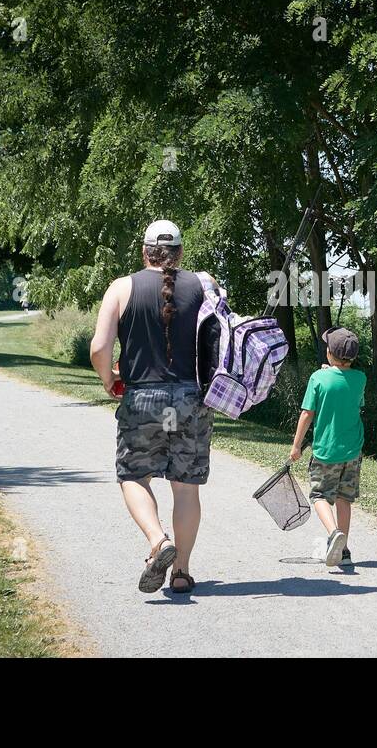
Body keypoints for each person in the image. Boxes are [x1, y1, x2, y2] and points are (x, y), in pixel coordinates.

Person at [90, 220, 213, 594]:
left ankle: (158, 542)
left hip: (142, 397)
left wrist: (109, 379)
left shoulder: (121, 287)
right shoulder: (204, 284)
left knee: (132, 475)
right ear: (179, 253)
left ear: (144, 251)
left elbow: (99, 349)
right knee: (186, 487)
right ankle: (181, 572)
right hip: (190, 399)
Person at [289, 327, 365, 568]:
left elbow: (307, 413)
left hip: (326, 450)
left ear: (330, 353)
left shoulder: (317, 378)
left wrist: (296, 445)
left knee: (320, 495)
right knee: (344, 498)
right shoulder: (361, 378)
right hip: (353, 450)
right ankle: (343, 552)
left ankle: (334, 534)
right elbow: (345, 389)